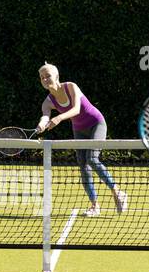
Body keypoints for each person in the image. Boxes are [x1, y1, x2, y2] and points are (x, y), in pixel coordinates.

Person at [37, 63, 127, 216]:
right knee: (83, 166)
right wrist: (41, 124)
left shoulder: (71, 86)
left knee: (92, 158)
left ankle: (118, 193)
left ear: (57, 76)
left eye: (48, 76)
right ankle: (94, 206)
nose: (45, 79)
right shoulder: (48, 101)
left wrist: (58, 118)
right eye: (42, 77)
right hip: (79, 130)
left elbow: (76, 109)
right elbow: (45, 116)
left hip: (96, 124)